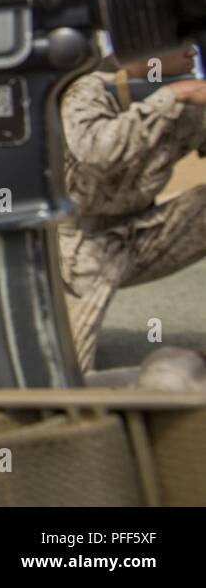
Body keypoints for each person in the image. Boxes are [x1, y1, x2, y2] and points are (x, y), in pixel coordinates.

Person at [58, 44, 206, 372]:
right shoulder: (86, 90)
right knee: (66, 375)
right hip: (81, 251)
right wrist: (169, 99)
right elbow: (98, 154)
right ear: (148, 51)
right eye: (183, 45)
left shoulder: (184, 100)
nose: (193, 55)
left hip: (141, 234)